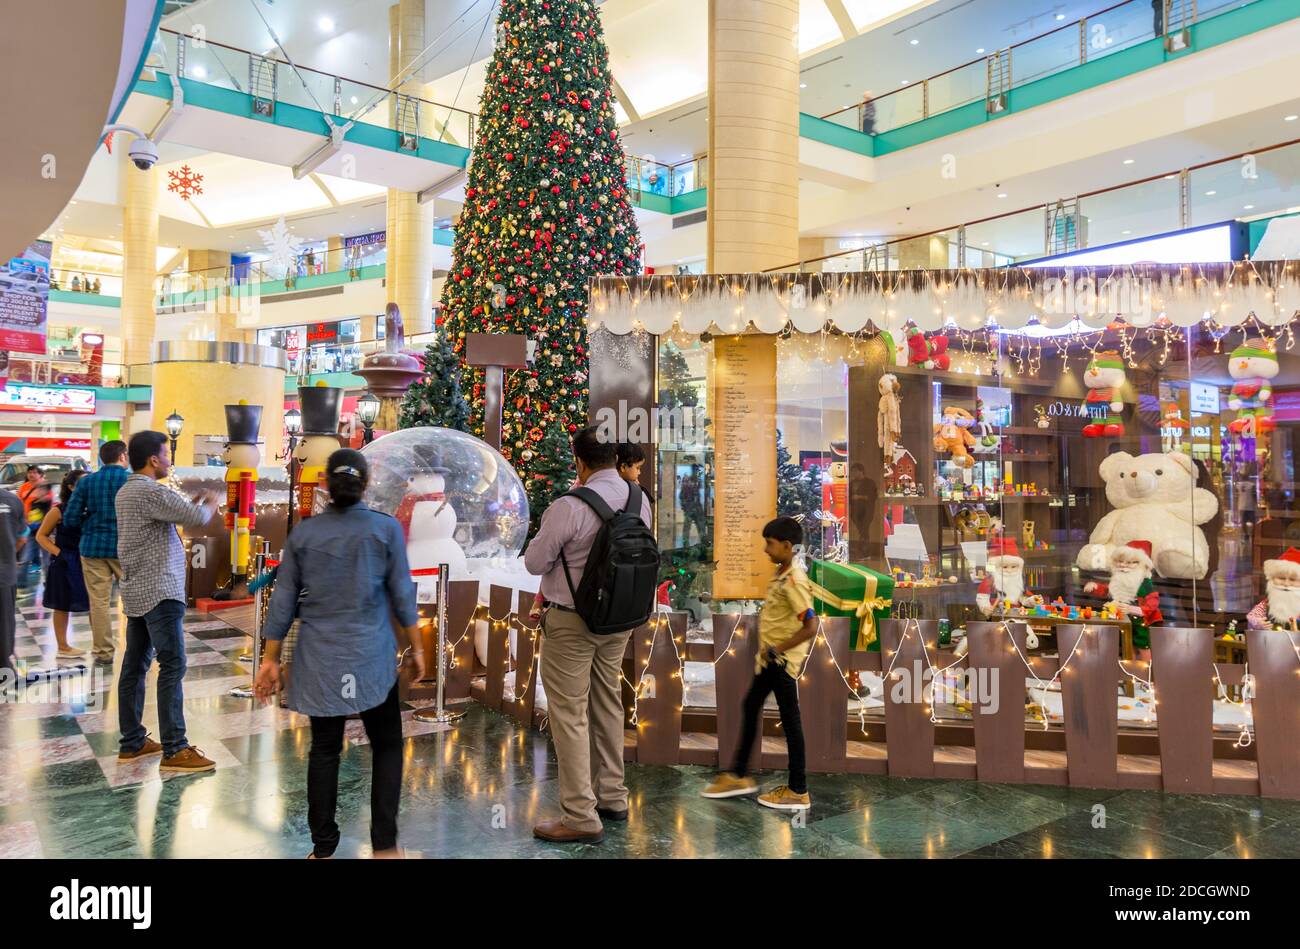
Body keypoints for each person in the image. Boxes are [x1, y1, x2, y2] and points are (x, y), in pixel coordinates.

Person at [255, 449, 424, 859]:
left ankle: (323, 849)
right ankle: (384, 847)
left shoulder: (304, 535)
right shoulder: (384, 531)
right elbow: (402, 594)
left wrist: (270, 658)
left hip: (321, 658)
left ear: (327, 486)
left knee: (325, 749)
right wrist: (417, 647)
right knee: (386, 746)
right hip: (372, 657)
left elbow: (283, 600)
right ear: (365, 485)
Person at [525, 426, 653, 843]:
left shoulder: (569, 505)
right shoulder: (640, 500)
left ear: (578, 461)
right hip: (620, 620)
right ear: (614, 457)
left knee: (568, 715)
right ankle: (612, 796)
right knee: (607, 704)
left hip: (572, 622)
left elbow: (534, 562)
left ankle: (580, 816)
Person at [115, 431, 221, 772]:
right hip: (160, 590)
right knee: (172, 665)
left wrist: (194, 504)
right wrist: (210, 501)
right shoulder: (149, 490)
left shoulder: (127, 490)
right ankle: (175, 748)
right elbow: (197, 519)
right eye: (166, 453)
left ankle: (132, 741)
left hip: (137, 589)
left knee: (135, 666)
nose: (169, 459)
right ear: (154, 459)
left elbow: (178, 513)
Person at [702, 516, 816, 810]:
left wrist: (778, 648)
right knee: (751, 705)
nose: (766, 549)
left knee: (791, 722)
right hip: (770, 660)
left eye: (770, 543)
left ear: (787, 546)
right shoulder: (782, 574)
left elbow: (810, 626)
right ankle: (739, 774)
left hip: (780, 661)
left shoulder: (794, 580)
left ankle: (798, 790)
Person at [63, 440, 130, 666]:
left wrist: (90, 522)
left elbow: (70, 519)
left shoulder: (87, 483)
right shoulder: (132, 481)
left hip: (93, 548)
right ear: (122, 456)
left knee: (99, 602)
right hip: (126, 548)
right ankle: (140, 648)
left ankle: (103, 652)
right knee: (136, 600)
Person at [36, 470, 89, 659]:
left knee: (96, 602)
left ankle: (101, 644)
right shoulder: (59, 510)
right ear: (71, 486)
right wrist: (59, 553)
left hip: (89, 560)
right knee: (62, 603)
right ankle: (63, 646)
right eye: (83, 482)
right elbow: (41, 536)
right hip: (66, 561)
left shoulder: (92, 508)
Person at [0, 485, 25, 675]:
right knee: (5, 619)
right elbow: (23, 536)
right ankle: (4, 667)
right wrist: (9, 554)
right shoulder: (13, 500)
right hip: (5, 572)